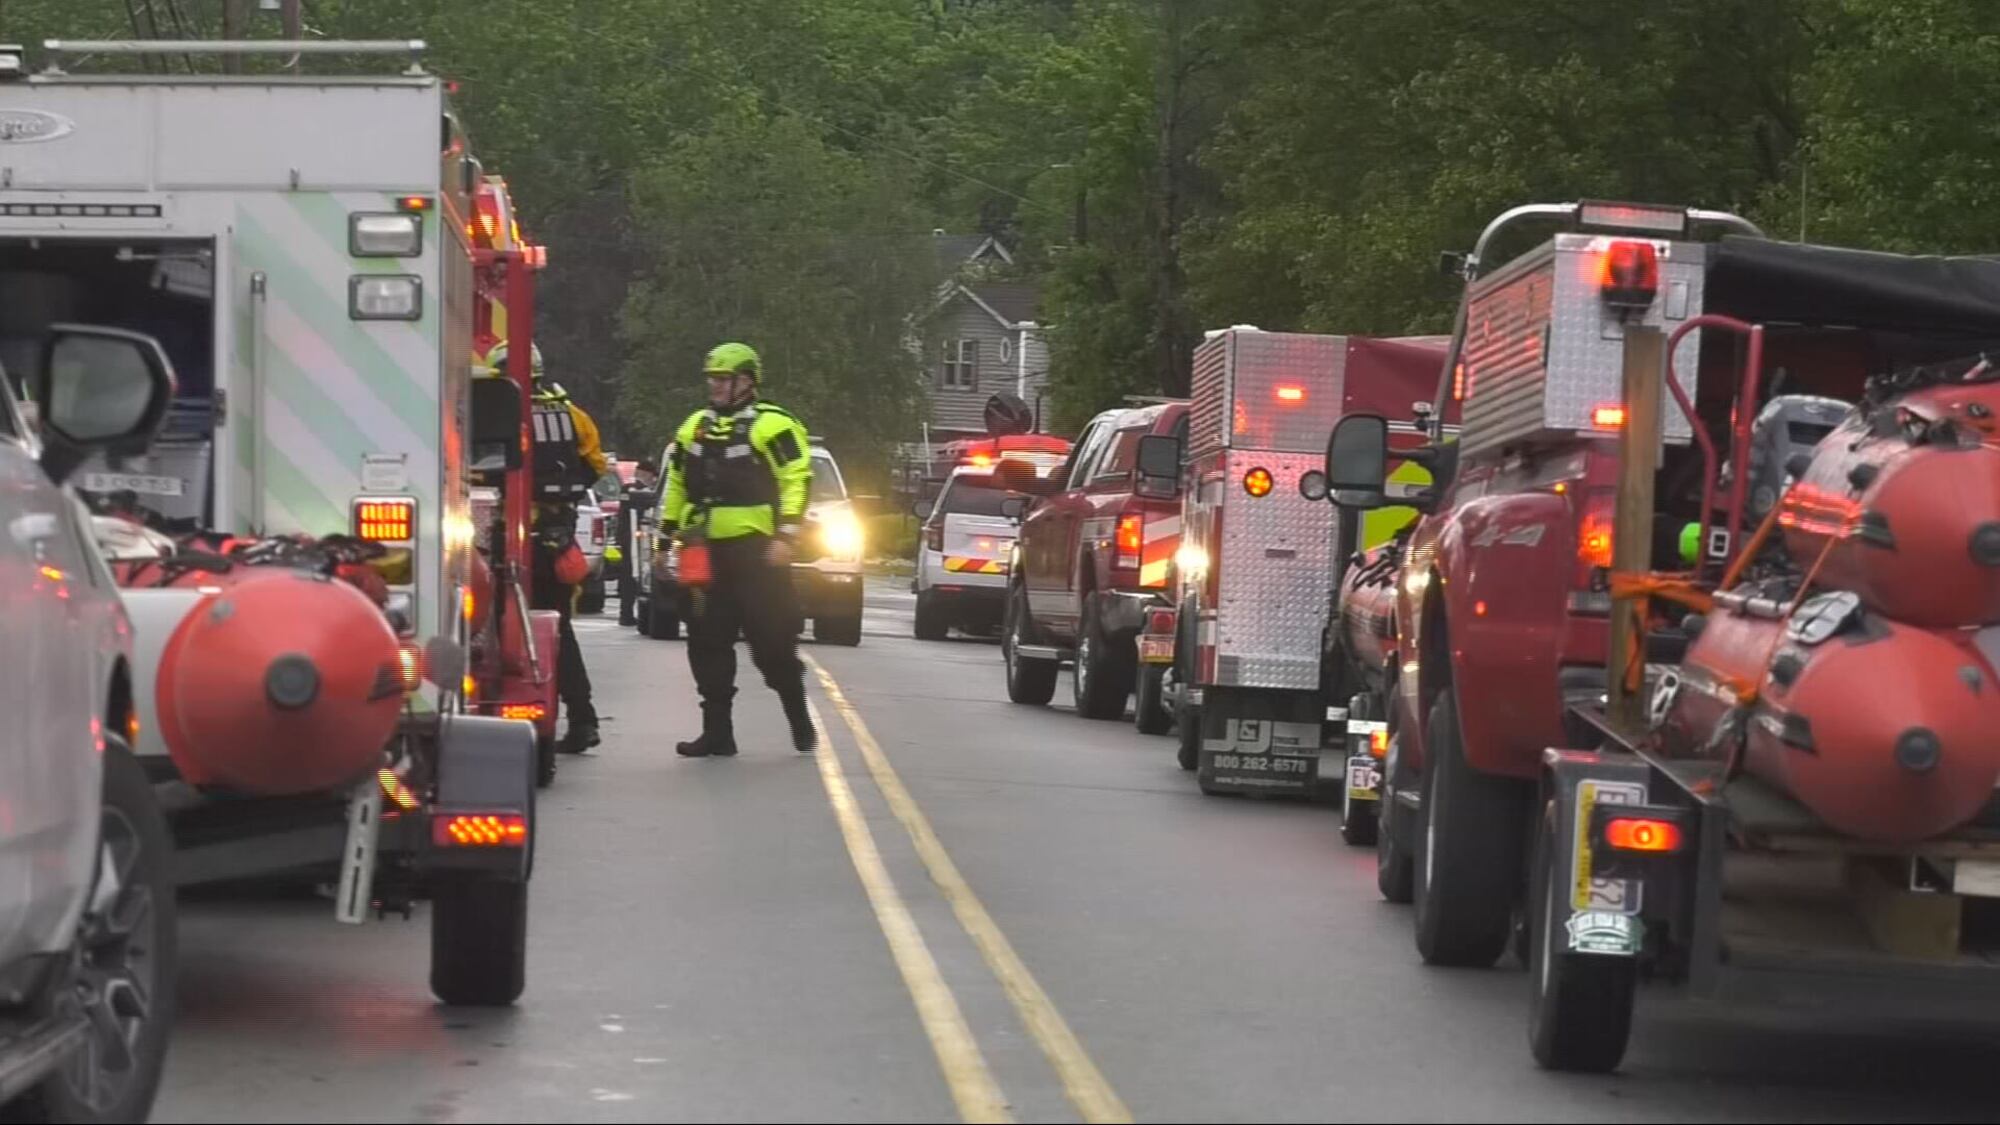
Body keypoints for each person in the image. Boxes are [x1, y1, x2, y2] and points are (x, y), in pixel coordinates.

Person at [658, 342, 817, 757]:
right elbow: (676, 485)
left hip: (757, 555)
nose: (714, 386)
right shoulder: (693, 427)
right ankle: (717, 733)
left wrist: (787, 535)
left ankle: (797, 712)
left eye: (722, 379)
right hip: (703, 552)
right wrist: (664, 541)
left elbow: (797, 478)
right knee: (705, 640)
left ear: (746, 381)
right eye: (711, 378)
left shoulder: (773, 426)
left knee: (771, 645)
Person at [489, 340, 606, 753]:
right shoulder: (572, 416)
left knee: (496, 628)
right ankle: (583, 719)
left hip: (508, 540)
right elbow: (596, 465)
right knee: (558, 632)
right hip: (556, 540)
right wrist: (561, 505)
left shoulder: (496, 413)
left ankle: (502, 715)